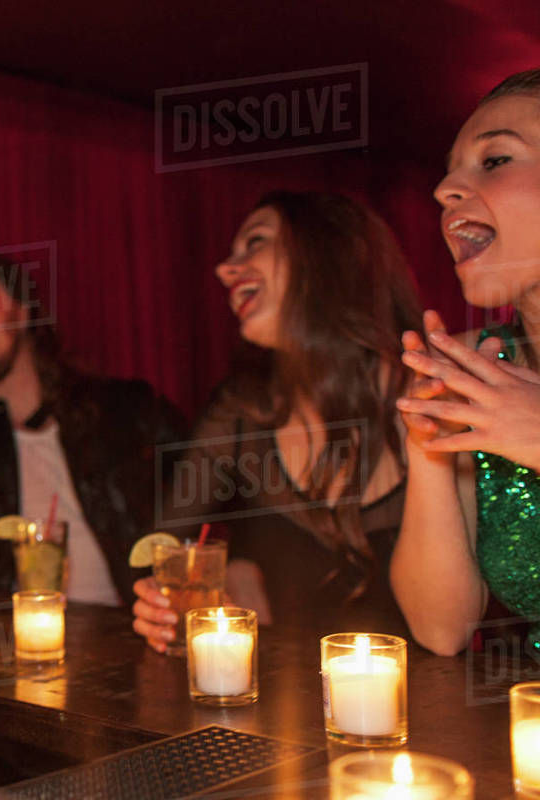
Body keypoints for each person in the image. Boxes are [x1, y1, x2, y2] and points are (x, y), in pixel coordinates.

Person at [130, 191, 423, 652]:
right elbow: (159, 548)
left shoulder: (432, 393)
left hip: (430, 714)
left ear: (329, 252)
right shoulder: (242, 410)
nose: (224, 269)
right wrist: (167, 603)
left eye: (256, 242)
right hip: (277, 711)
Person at [0, 252, 184, 606]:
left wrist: (238, 562)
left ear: (23, 309)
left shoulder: (125, 408)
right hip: (5, 646)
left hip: (133, 634)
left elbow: (222, 486)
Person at [391, 68, 540, 657]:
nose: (445, 188)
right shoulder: (483, 368)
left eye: (496, 160)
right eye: (450, 168)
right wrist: (429, 444)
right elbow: (442, 630)